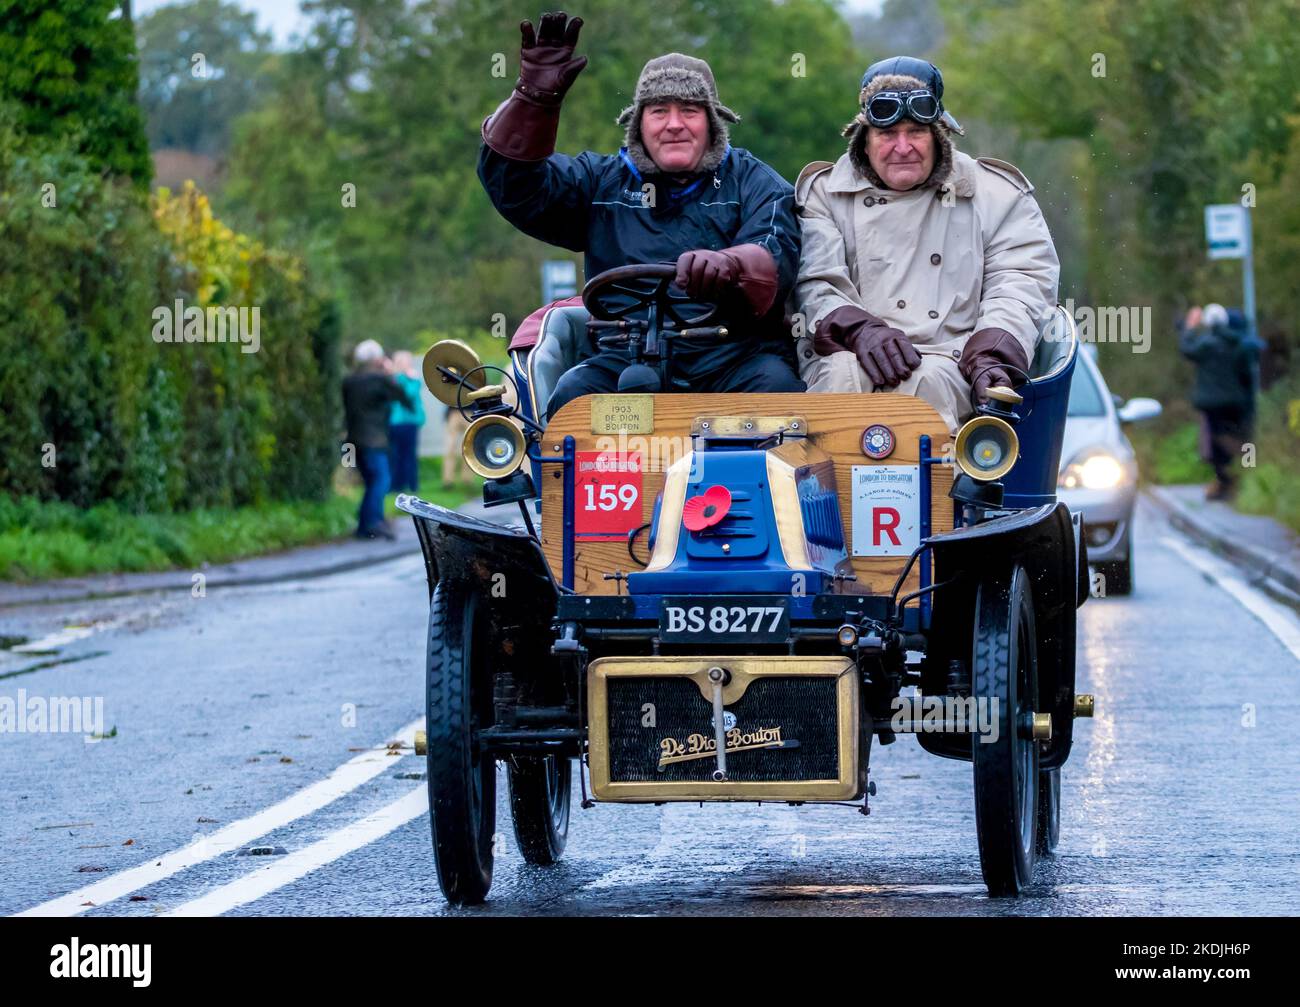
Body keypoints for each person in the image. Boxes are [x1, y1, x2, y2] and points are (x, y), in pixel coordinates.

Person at [477, 11, 804, 419]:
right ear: (637, 124)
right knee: (573, 402)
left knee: (781, 393)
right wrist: (533, 101)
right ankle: (577, 484)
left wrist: (729, 264)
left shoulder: (752, 180)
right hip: (624, 361)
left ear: (713, 122)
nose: (674, 125)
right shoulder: (600, 182)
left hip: (732, 358)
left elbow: (775, 252)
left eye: (689, 110)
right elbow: (518, 189)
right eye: (658, 111)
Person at [793, 56, 1060, 431]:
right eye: (887, 134)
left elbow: (1022, 284)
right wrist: (861, 331)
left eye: (915, 131)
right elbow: (816, 281)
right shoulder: (824, 194)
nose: (903, 147)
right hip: (848, 354)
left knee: (926, 385)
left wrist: (990, 355)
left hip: (953, 361)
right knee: (840, 383)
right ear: (864, 140)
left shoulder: (997, 194)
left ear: (939, 136)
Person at [1177, 303, 1261, 500]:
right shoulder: (1239, 343)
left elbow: (1187, 349)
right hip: (1236, 402)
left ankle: (1225, 481)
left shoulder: (1206, 344)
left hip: (1212, 403)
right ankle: (1241, 479)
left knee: (1218, 442)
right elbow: (1246, 374)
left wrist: (1188, 328)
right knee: (1242, 438)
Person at [342, 340, 413, 540]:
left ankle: (365, 526)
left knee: (371, 482)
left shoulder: (350, 380)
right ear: (377, 359)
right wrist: (390, 373)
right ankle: (374, 523)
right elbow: (403, 397)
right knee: (381, 480)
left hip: (353, 440)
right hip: (374, 440)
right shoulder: (379, 378)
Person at [387, 350, 426, 494]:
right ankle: (407, 485)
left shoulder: (395, 378)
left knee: (401, 455)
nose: (410, 364)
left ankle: (404, 485)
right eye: (407, 361)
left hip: (402, 422)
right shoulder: (399, 378)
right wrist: (415, 380)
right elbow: (408, 395)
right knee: (405, 455)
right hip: (403, 422)